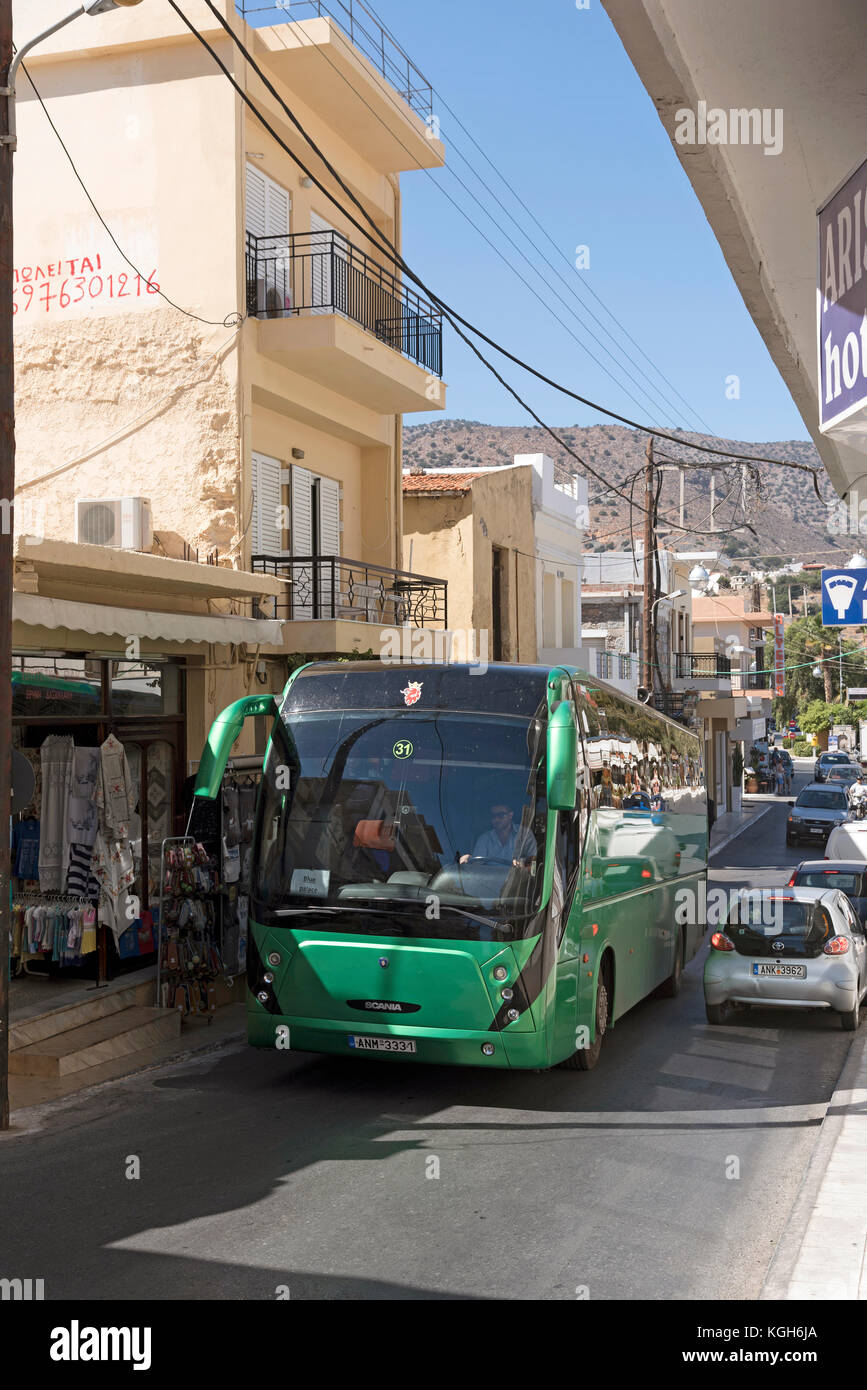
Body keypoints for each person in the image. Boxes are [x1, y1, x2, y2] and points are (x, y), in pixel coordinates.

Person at [460, 803, 538, 867]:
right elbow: (476, 866)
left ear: (510, 815)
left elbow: (533, 861)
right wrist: (469, 859)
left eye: (501, 815)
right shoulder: (484, 839)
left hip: (518, 883)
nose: (496, 819)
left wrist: (522, 863)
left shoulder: (525, 834)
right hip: (488, 883)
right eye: (493, 816)